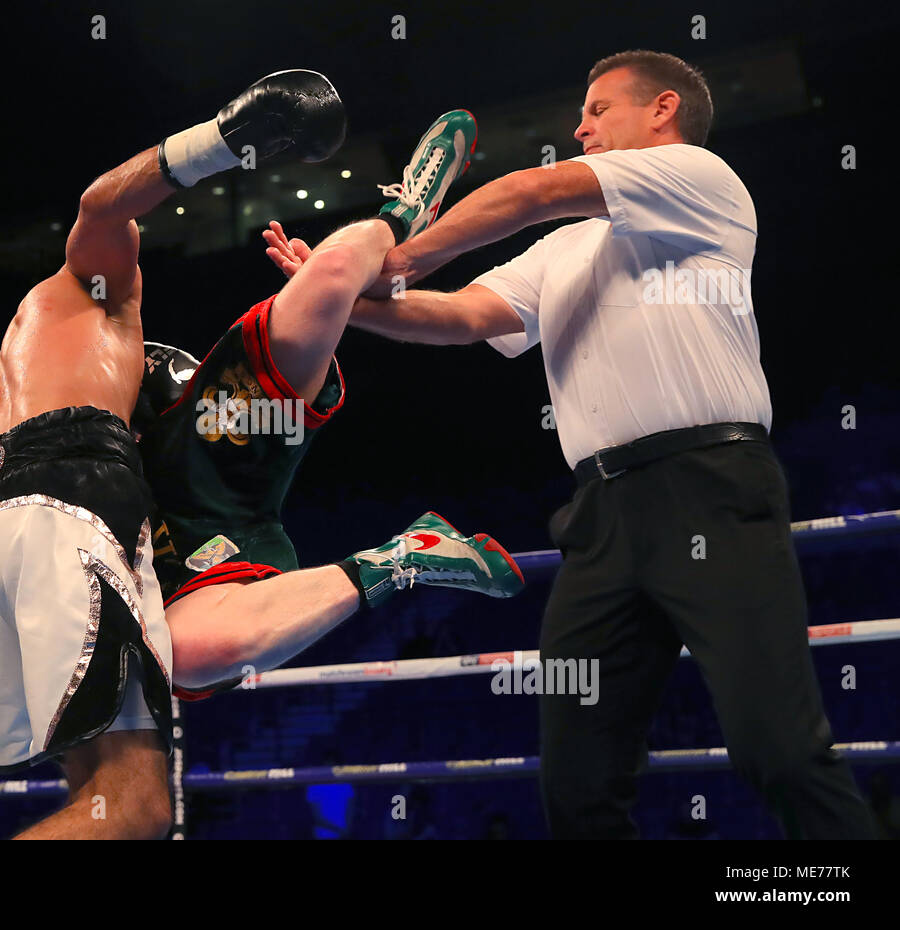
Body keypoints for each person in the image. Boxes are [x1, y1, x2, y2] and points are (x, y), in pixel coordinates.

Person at [0, 105, 526, 838]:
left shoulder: (14, 407)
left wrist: (226, 135)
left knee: (323, 283)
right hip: (162, 572)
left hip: (171, 454)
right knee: (180, 659)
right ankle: (403, 558)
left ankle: (400, 212)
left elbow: (101, 213)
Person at [268, 49, 874, 839]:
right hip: (600, 519)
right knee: (579, 782)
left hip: (710, 489)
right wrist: (338, 291)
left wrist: (402, 249)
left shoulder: (700, 177)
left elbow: (532, 191)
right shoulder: (567, 249)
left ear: (661, 109)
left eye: (597, 109)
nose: (579, 126)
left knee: (780, 752)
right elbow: (458, 317)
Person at [0, 69, 346, 839]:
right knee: (134, 809)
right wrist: (228, 139)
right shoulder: (90, 295)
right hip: (71, 506)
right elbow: (103, 203)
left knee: (106, 800)